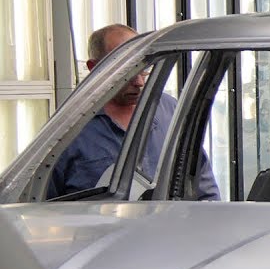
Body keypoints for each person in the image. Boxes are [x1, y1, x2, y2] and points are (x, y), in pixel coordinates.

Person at [48, 24, 220, 200]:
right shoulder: (67, 131)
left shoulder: (171, 111)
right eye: (127, 70)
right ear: (95, 67)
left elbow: (202, 183)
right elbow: (44, 206)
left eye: (144, 67)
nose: (139, 82)